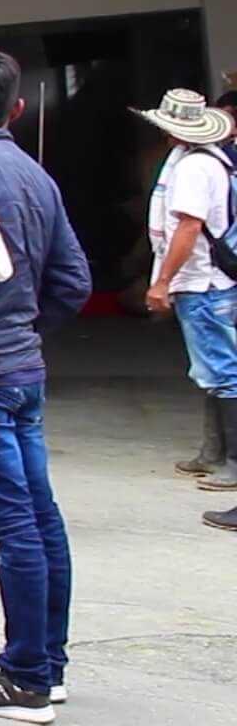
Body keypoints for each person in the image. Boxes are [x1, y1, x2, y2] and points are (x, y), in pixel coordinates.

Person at [0, 50, 89, 722]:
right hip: (24, 368)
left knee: (12, 527)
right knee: (40, 516)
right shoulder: (38, 178)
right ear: (18, 108)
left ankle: (25, 678)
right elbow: (74, 281)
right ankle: (45, 663)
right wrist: (27, 330)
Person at [134, 90, 237, 508]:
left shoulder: (194, 167)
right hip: (209, 281)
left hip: (203, 282)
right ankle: (213, 453)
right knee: (212, 370)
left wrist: (162, 281)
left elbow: (189, 229)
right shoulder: (208, 159)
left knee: (224, 373)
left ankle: (232, 463)